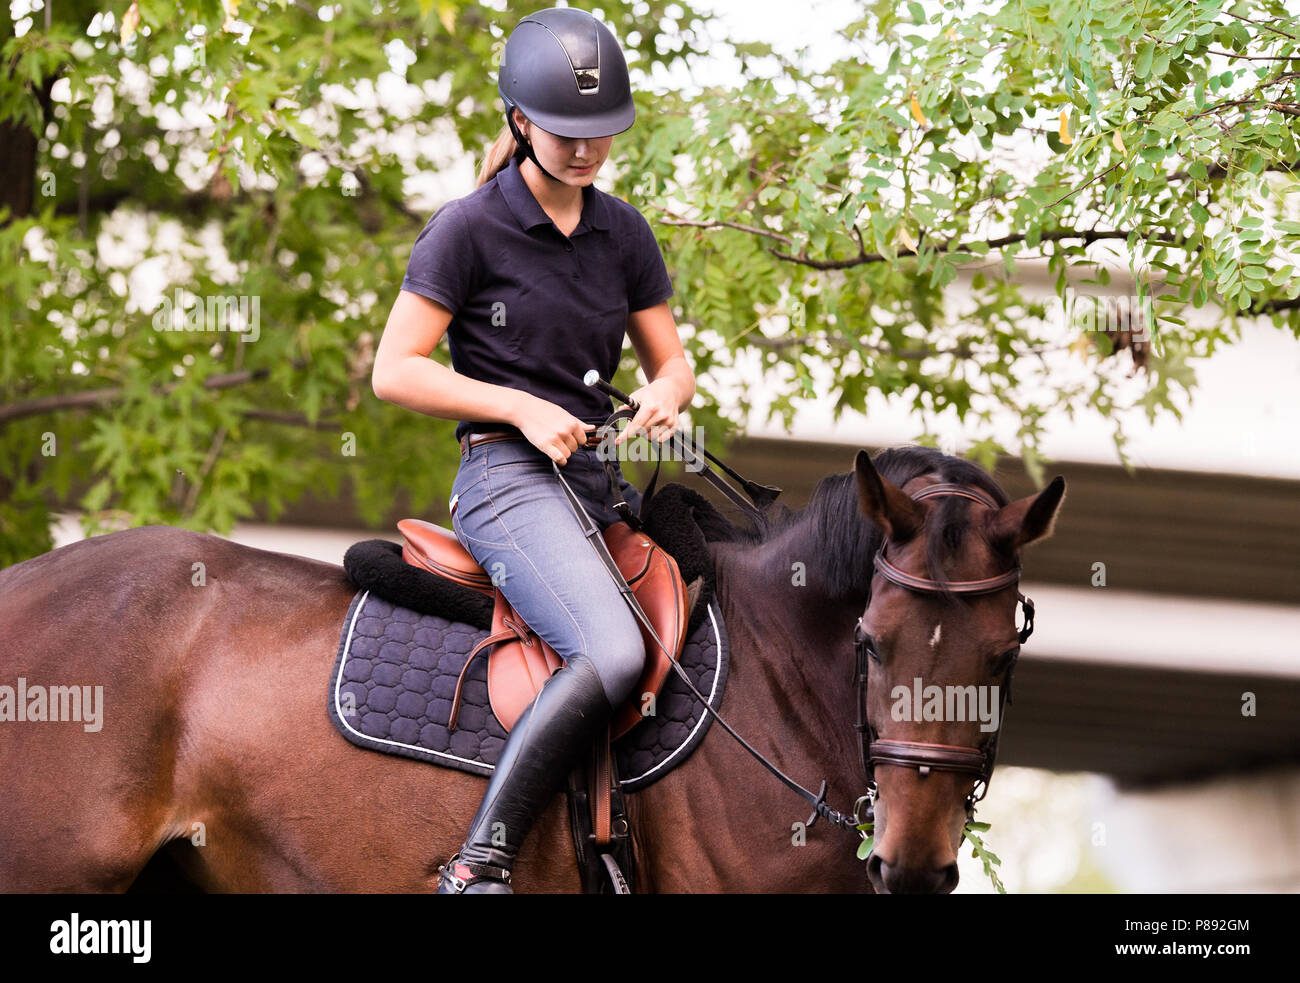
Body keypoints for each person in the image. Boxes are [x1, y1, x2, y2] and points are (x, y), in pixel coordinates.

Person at [371, 6, 695, 893]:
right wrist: (518, 407)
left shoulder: (624, 231)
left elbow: (672, 362)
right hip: (504, 478)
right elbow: (393, 370)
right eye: (567, 132)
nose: (588, 151)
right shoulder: (467, 229)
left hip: (594, 483)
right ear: (519, 120)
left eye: (603, 133)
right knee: (613, 651)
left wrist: (665, 394)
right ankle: (478, 864)